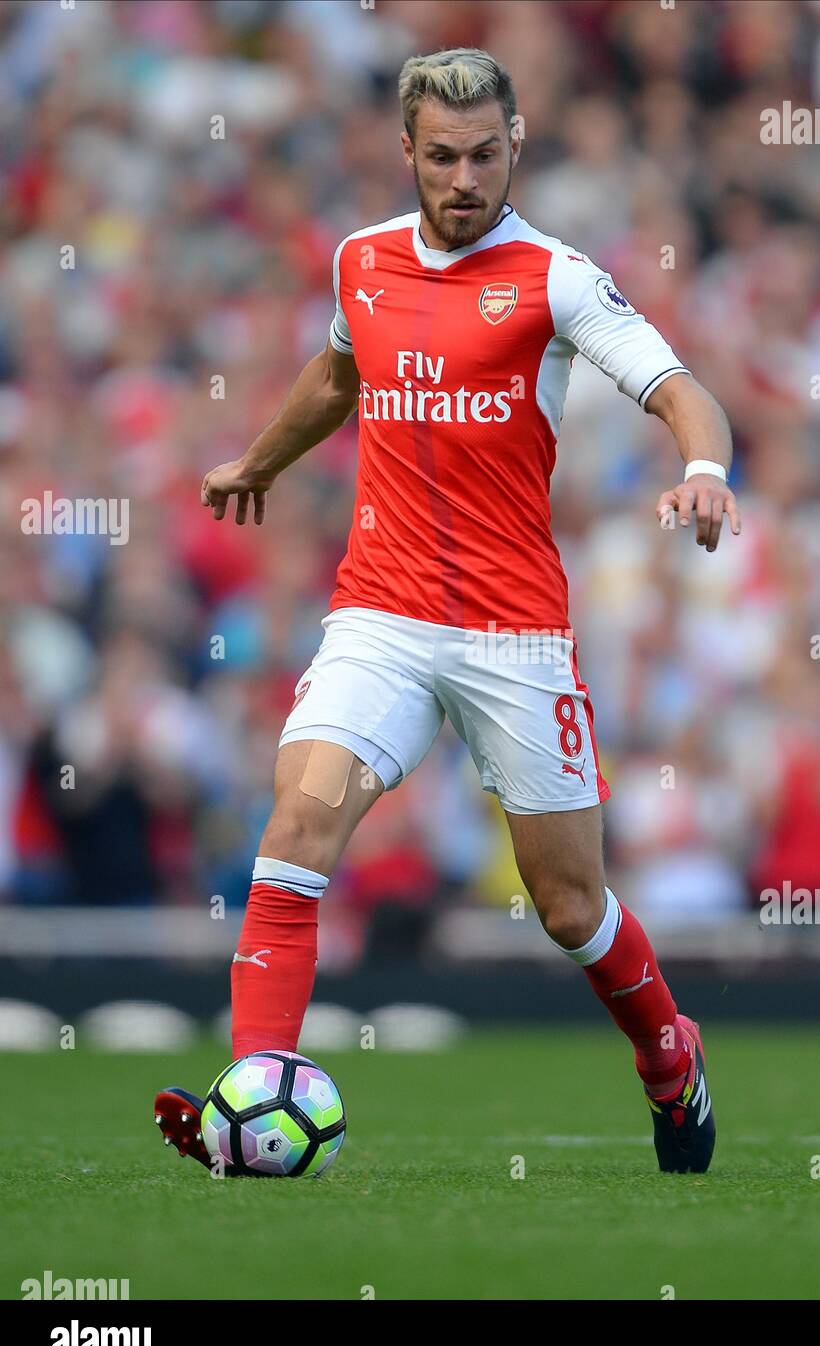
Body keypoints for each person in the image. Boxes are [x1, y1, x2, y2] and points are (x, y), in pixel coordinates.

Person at [154, 47, 737, 1176]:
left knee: (570, 906)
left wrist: (706, 466)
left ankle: (670, 1053)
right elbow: (340, 375)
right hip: (381, 612)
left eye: (483, 154)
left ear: (515, 144)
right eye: (441, 157)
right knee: (296, 827)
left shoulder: (555, 279)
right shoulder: (361, 262)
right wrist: (259, 463)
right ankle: (249, 1091)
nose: (463, 178)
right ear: (406, 153)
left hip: (515, 634)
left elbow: (676, 386)